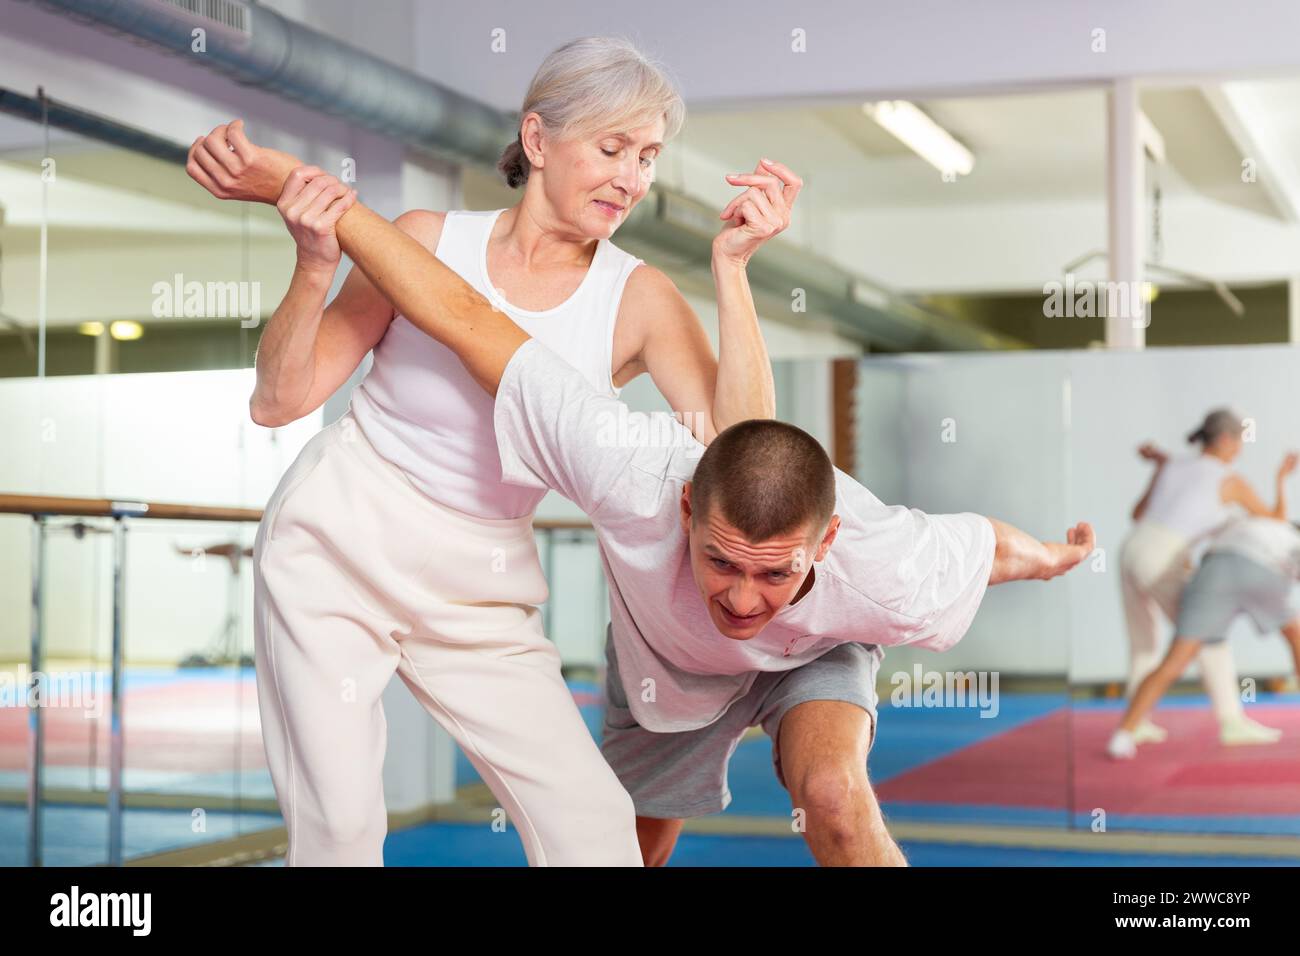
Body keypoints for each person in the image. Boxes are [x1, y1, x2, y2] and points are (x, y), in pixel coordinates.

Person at [186, 127, 1098, 866]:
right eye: (612, 147)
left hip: (786, 642)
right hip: (651, 652)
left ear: (820, 549)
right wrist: (301, 193)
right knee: (600, 846)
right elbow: (461, 315)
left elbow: (982, 542)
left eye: (649, 155)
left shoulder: (884, 563)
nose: (746, 596)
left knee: (829, 803)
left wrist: (1060, 555)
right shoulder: (621, 462)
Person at [186, 35, 797, 866]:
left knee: (593, 829)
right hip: (336, 541)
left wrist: (733, 270)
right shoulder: (427, 237)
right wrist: (312, 263)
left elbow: (748, 455)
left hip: (483, 581)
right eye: (611, 148)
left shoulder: (638, 295)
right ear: (538, 141)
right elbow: (279, 400)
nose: (632, 177)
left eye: (649, 156)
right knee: (337, 830)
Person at [1119, 412, 1295, 747]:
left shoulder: (1173, 464)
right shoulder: (1230, 480)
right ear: (1227, 440)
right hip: (1161, 557)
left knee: (1145, 640)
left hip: (1131, 547)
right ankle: (1231, 722)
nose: (1240, 450)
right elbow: (1276, 523)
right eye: (1240, 442)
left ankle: (1136, 722)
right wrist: (1281, 479)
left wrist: (1159, 466)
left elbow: (1137, 514)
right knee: (1205, 635)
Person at [1108, 513, 1300, 759]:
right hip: (1260, 569)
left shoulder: (1253, 524)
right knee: (1295, 637)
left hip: (1212, 572)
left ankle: (1123, 734)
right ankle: (1235, 722)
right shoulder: (1289, 538)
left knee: (1174, 661)